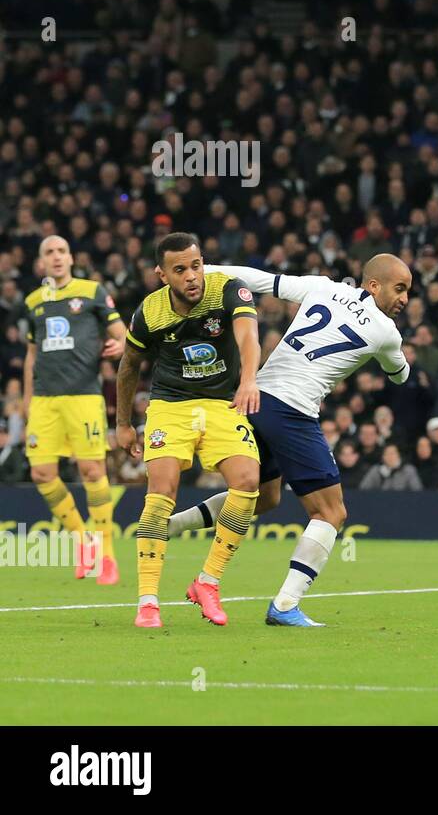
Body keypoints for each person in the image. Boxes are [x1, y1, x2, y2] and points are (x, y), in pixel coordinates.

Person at [166, 254, 411, 627]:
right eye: (400, 288)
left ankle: (172, 528)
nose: (405, 298)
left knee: (264, 498)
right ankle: (285, 604)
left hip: (254, 399)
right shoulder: (387, 332)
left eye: (408, 291)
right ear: (373, 285)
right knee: (331, 513)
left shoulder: (323, 287)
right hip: (291, 411)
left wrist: (204, 272)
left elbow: (257, 279)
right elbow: (399, 376)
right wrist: (399, 362)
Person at [117, 233, 262, 629]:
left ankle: (207, 581)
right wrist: (124, 422)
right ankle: (148, 602)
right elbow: (129, 366)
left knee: (249, 482)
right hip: (170, 406)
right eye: (180, 270)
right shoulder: (150, 312)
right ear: (162, 275)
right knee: (161, 490)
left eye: (195, 265)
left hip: (221, 403)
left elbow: (248, 336)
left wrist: (248, 380)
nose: (191, 276)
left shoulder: (228, 291)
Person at [22, 235, 127, 584]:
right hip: (44, 400)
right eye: (48, 252)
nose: (55, 257)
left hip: (83, 395)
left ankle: (107, 555)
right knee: (41, 473)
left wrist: (118, 344)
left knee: (92, 471)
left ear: (70, 258)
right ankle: (84, 542)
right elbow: (32, 356)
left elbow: (121, 334)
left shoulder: (92, 291)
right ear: (41, 262)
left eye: (61, 251)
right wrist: (26, 401)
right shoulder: (34, 301)